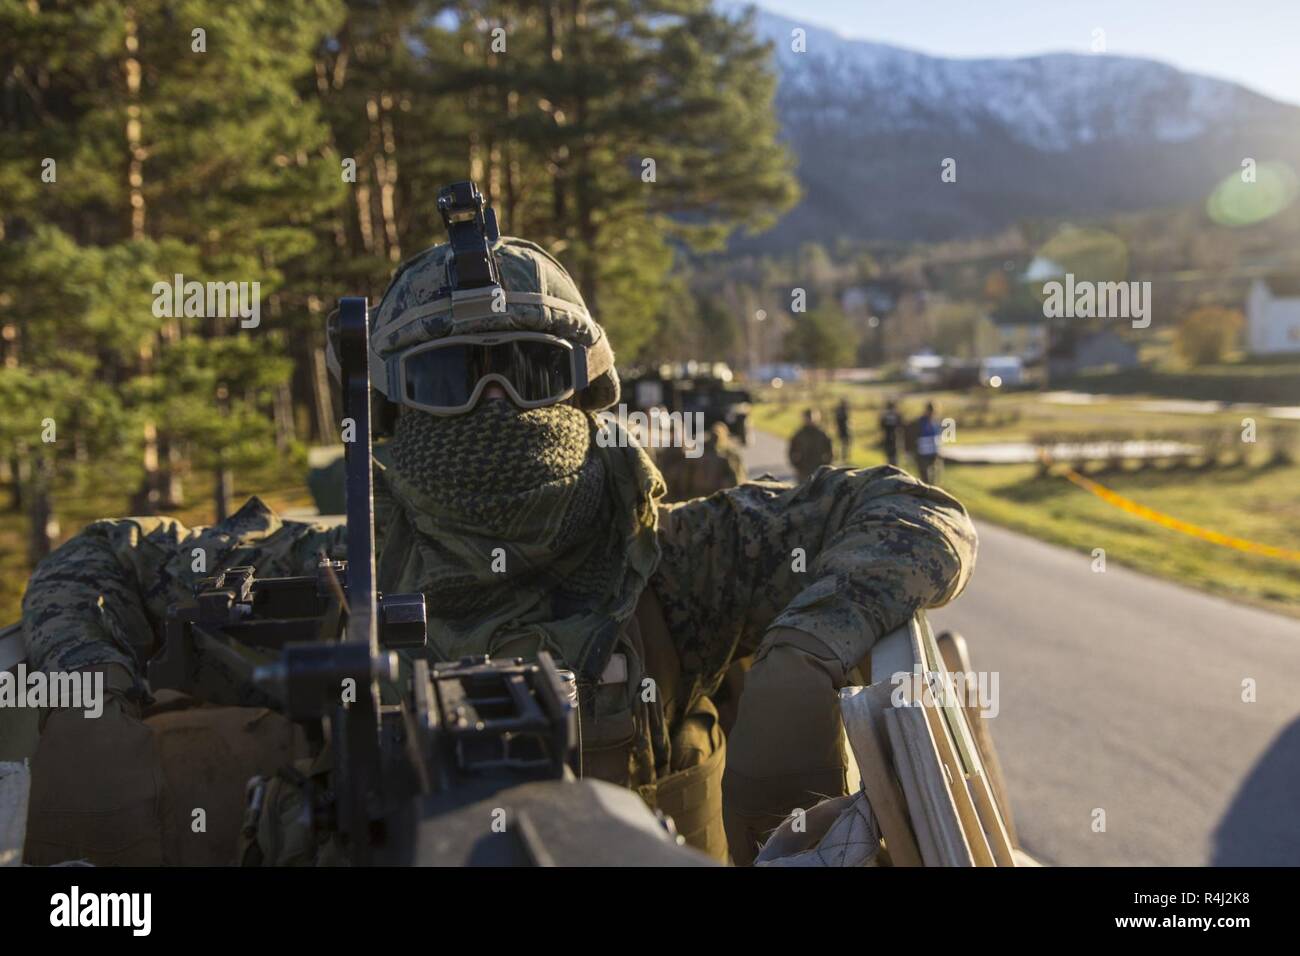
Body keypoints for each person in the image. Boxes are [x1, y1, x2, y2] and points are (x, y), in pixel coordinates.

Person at [18, 194, 976, 867]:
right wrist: (93, 693)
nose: (496, 402)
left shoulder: (683, 558)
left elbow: (915, 510)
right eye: (451, 377)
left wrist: (803, 653)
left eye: (529, 367)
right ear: (395, 410)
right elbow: (98, 561)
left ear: (587, 388)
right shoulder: (324, 577)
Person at [658, 422, 746, 503]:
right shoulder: (686, 455)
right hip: (699, 497)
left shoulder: (728, 457)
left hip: (709, 497)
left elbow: (736, 480)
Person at [787, 408, 835, 482]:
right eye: (808, 417)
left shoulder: (822, 434)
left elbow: (830, 451)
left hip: (819, 471)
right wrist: (797, 466)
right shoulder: (799, 434)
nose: (810, 420)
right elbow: (791, 452)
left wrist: (826, 466)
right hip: (803, 471)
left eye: (813, 417)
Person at [913, 402, 942, 484]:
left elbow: (937, 437)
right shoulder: (920, 422)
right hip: (922, 453)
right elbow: (915, 436)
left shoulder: (936, 421)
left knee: (933, 477)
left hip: (933, 453)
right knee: (924, 478)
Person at [878, 399, 903, 467]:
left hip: (887, 437)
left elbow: (881, 426)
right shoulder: (897, 414)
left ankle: (890, 467)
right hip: (895, 437)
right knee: (895, 456)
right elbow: (901, 426)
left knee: (889, 456)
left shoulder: (884, 415)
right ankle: (895, 467)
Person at [834, 399, 852, 463]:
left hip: (844, 429)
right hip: (842, 429)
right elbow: (840, 420)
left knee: (845, 444)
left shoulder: (843, 410)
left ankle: (844, 457)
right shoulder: (840, 410)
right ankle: (841, 457)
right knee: (842, 444)